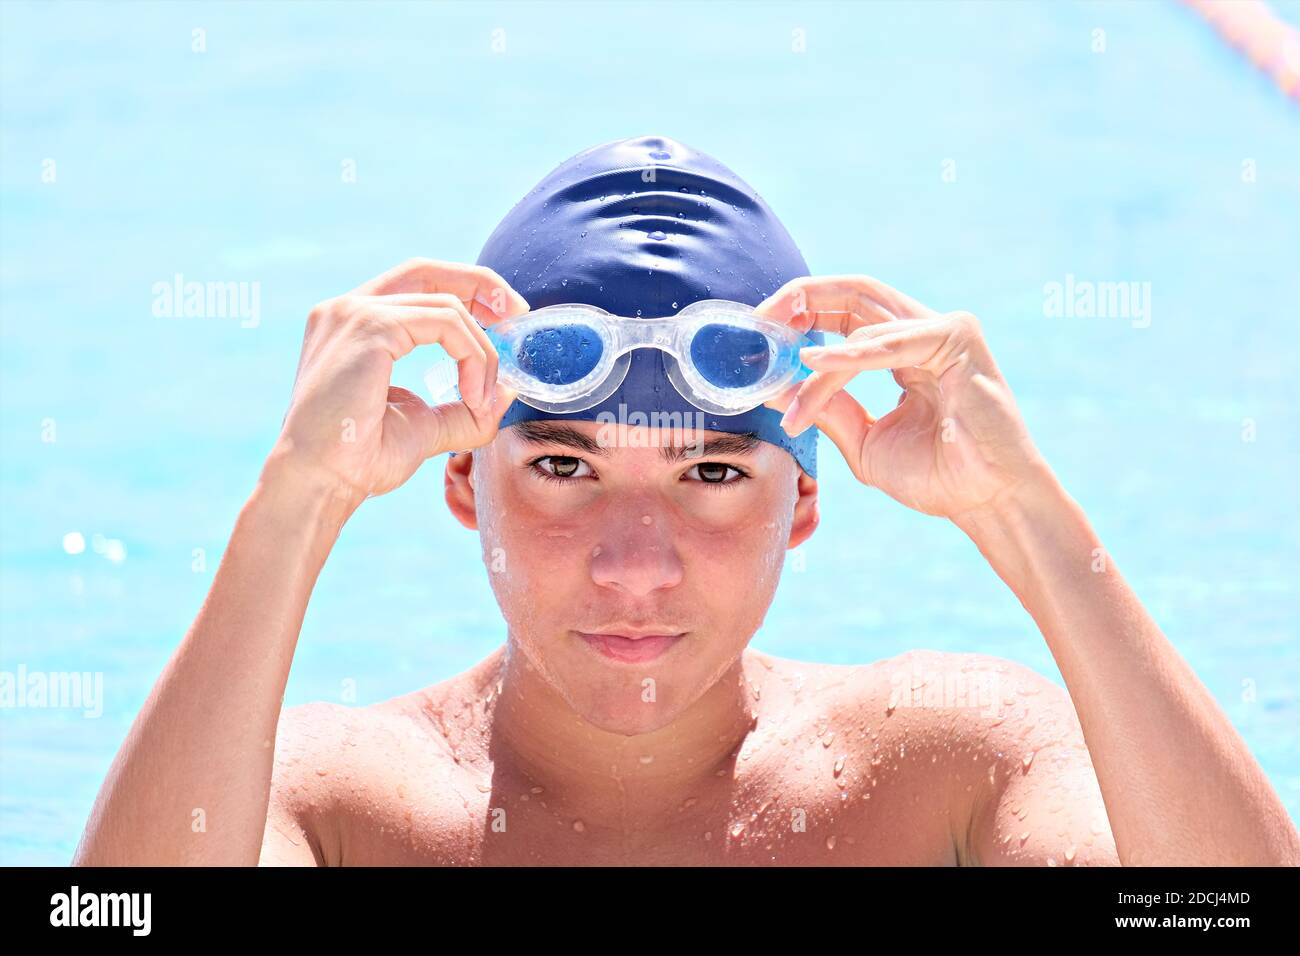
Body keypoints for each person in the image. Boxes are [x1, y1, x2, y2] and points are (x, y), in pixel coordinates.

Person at [73, 136, 1299, 866]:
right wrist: (294, 500)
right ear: (461, 483)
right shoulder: (334, 800)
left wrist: (1024, 513)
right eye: (562, 468)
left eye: (714, 475)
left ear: (803, 505)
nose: (634, 565)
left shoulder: (950, 768)